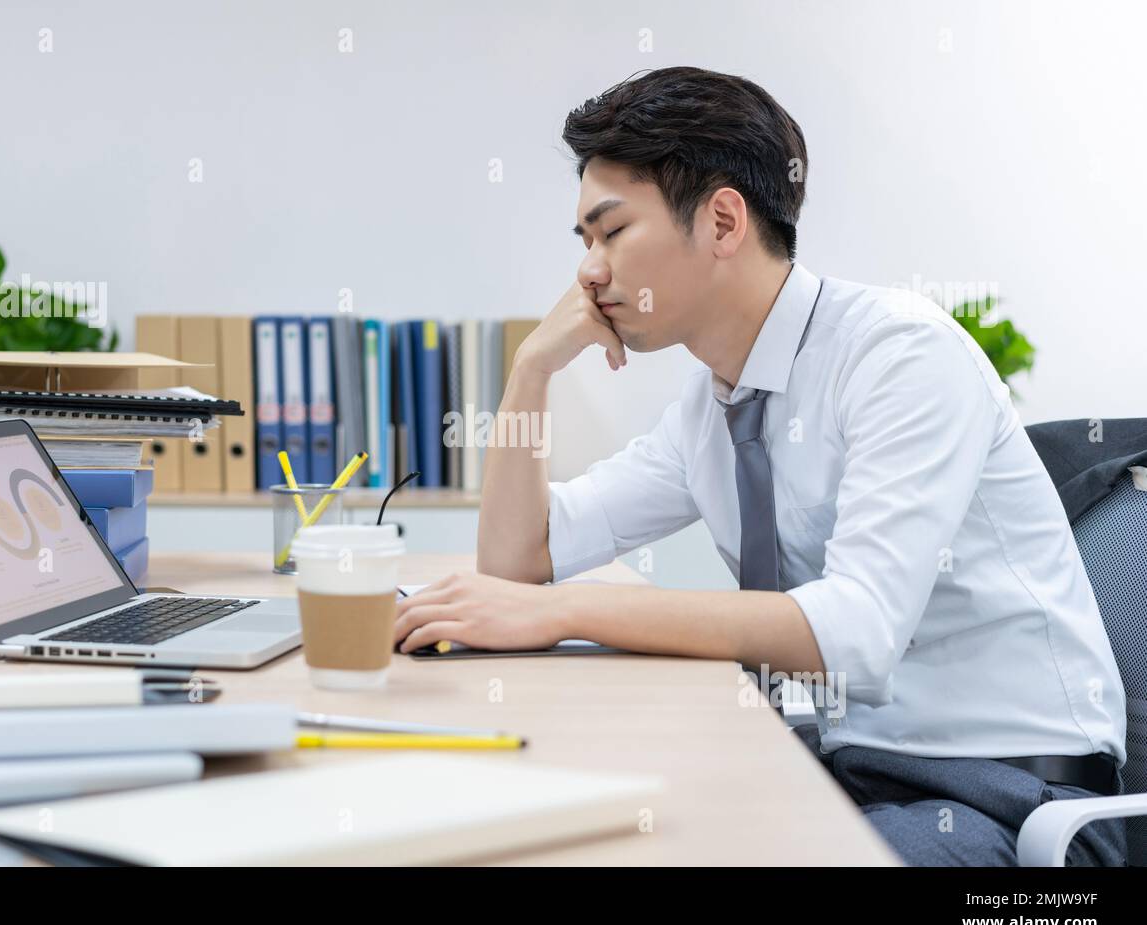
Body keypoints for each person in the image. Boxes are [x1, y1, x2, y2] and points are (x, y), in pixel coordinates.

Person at [392, 66, 1127, 866]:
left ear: (722, 220)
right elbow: (515, 560)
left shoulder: (897, 354)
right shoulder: (710, 410)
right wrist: (530, 369)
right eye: (585, 242)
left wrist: (569, 612)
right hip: (858, 774)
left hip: (1011, 800)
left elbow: (856, 630)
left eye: (611, 232)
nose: (590, 270)